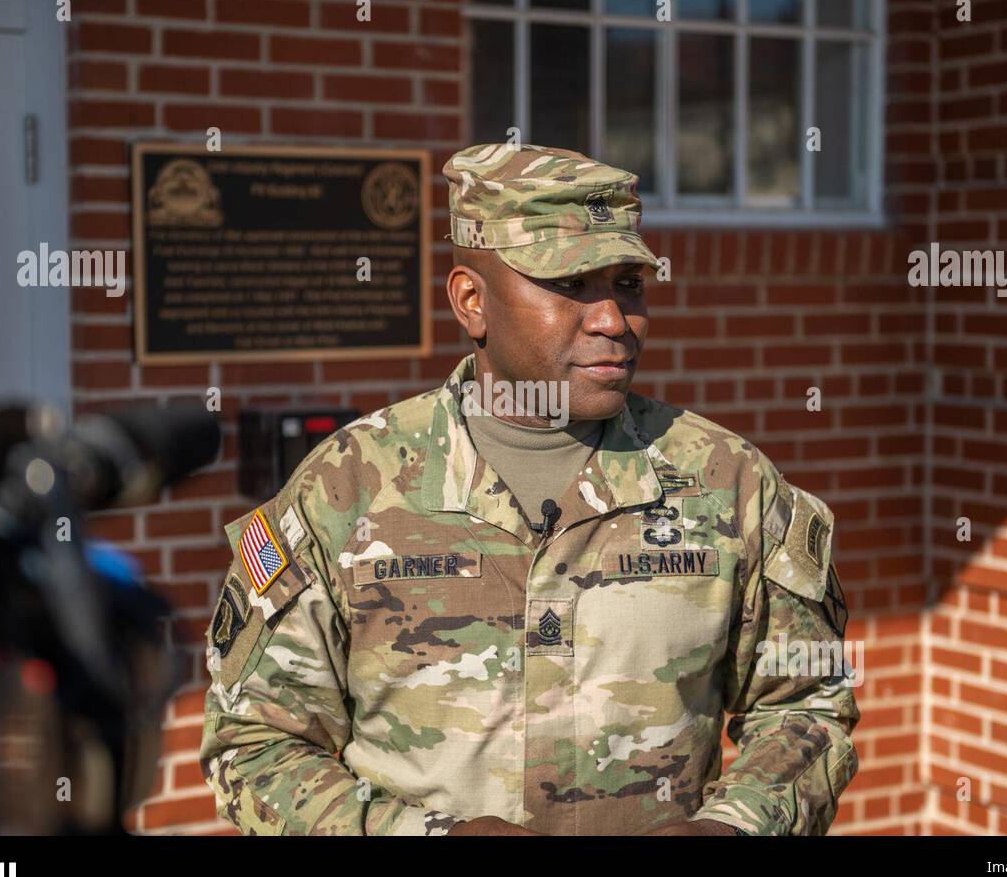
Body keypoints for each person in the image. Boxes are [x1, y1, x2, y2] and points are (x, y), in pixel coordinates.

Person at [199, 142, 859, 836]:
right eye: (571, 284)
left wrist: (733, 826)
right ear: (472, 300)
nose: (613, 320)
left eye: (628, 282)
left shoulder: (729, 483)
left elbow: (807, 704)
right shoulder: (348, 488)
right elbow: (255, 743)